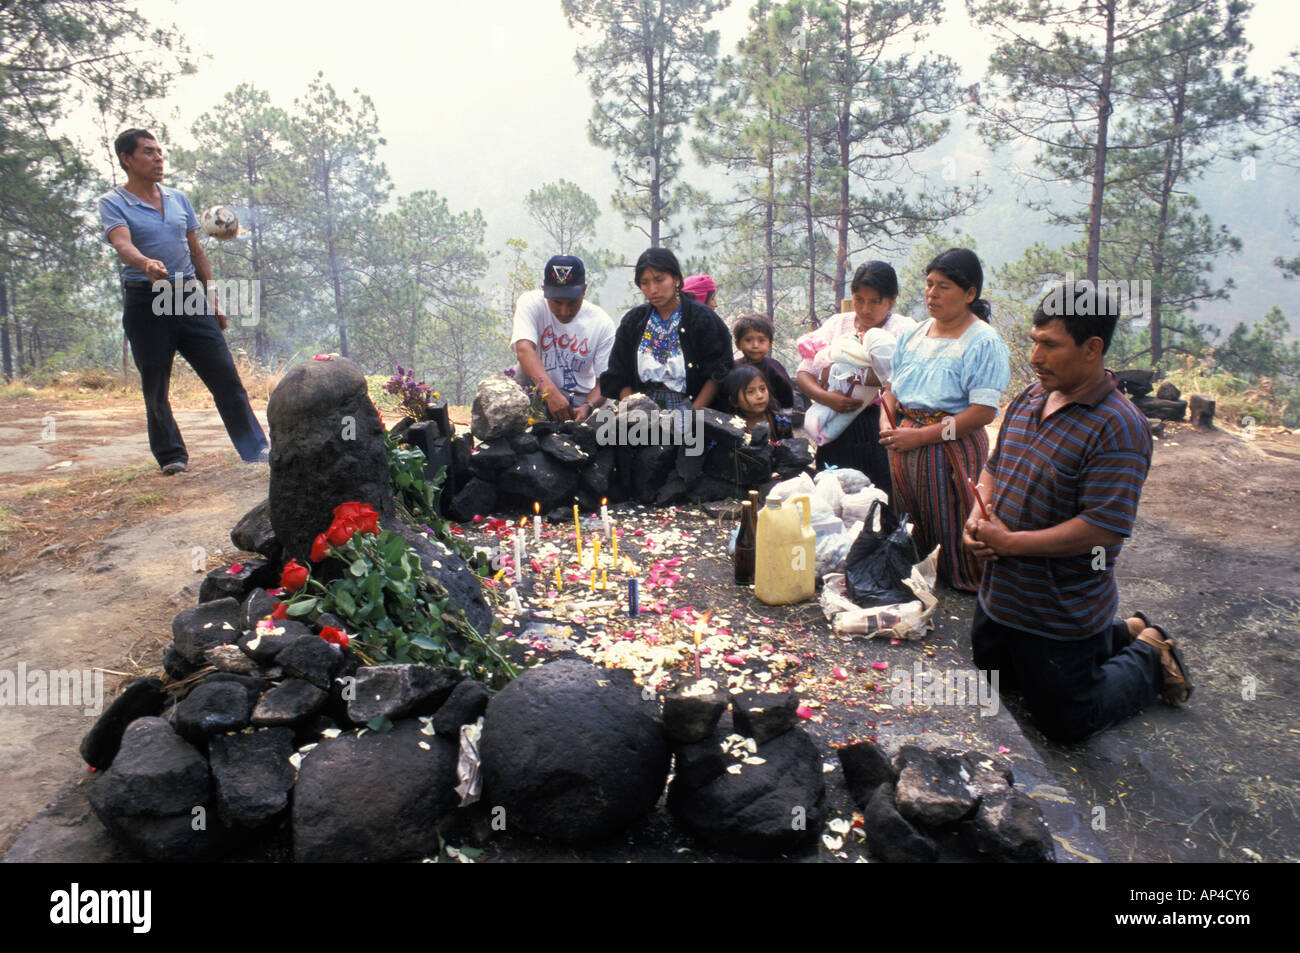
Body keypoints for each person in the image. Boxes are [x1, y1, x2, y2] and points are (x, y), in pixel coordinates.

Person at [963, 281, 1189, 743]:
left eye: (1050, 345)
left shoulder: (1119, 427)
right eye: (1034, 341)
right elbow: (993, 466)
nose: (1035, 356)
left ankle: (1147, 652)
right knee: (997, 686)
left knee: (1065, 722)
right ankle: (1123, 632)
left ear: (1092, 349)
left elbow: (1103, 529)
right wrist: (977, 516)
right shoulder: (1030, 398)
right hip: (1001, 598)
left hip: (1060, 611)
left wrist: (1011, 544)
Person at [99, 128, 267, 475]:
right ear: (127, 160)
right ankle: (171, 455)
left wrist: (213, 299)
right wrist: (145, 263)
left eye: (159, 151)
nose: (158, 158)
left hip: (188, 295)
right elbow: (122, 243)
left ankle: (255, 448)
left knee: (225, 376)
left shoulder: (178, 199)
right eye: (148, 152)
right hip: (146, 299)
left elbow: (196, 250)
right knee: (156, 383)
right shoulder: (113, 202)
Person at [880, 248, 1009, 592]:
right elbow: (890, 388)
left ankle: (961, 580)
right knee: (911, 514)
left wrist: (921, 438)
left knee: (951, 515)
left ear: (970, 294)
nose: (931, 294)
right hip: (904, 442)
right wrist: (887, 423)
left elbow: (982, 412)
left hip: (950, 444)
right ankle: (921, 577)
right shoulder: (914, 334)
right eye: (929, 284)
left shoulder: (983, 342)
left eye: (944, 287)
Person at [796, 261, 916, 498]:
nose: (865, 309)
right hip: (835, 424)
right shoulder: (838, 324)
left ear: (891, 301)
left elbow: (899, 377)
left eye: (875, 301)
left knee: (878, 495)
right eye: (859, 299)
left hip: (880, 423)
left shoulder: (903, 330)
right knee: (834, 493)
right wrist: (826, 397)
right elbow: (804, 372)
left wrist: (848, 375)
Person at [599, 248, 733, 412]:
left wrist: (693, 414)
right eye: (645, 282)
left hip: (693, 412)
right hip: (641, 413)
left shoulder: (702, 319)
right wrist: (635, 408)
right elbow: (618, 373)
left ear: (676, 279)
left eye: (659, 280)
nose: (652, 289)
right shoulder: (634, 321)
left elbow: (719, 371)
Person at [510, 254, 615, 422]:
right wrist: (550, 393)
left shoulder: (601, 323)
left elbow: (605, 382)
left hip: (581, 399)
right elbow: (524, 350)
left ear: (584, 290)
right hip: (539, 392)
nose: (564, 311)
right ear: (543, 290)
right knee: (521, 371)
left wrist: (588, 407)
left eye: (572, 302)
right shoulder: (531, 303)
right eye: (557, 302)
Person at [732, 313, 795, 410]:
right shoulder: (733, 368)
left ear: (769, 344)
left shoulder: (774, 367)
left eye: (761, 340)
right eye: (748, 340)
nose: (755, 345)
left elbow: (786, 393)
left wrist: (785, 414)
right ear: (738, 344)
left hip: (771, 415)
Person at [723, 364, 793, 440]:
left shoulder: (781, 422)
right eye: (750, 392)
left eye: (762, 389)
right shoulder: (728, 427)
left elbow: (793, 447)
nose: (760, 396)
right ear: (734, 401)